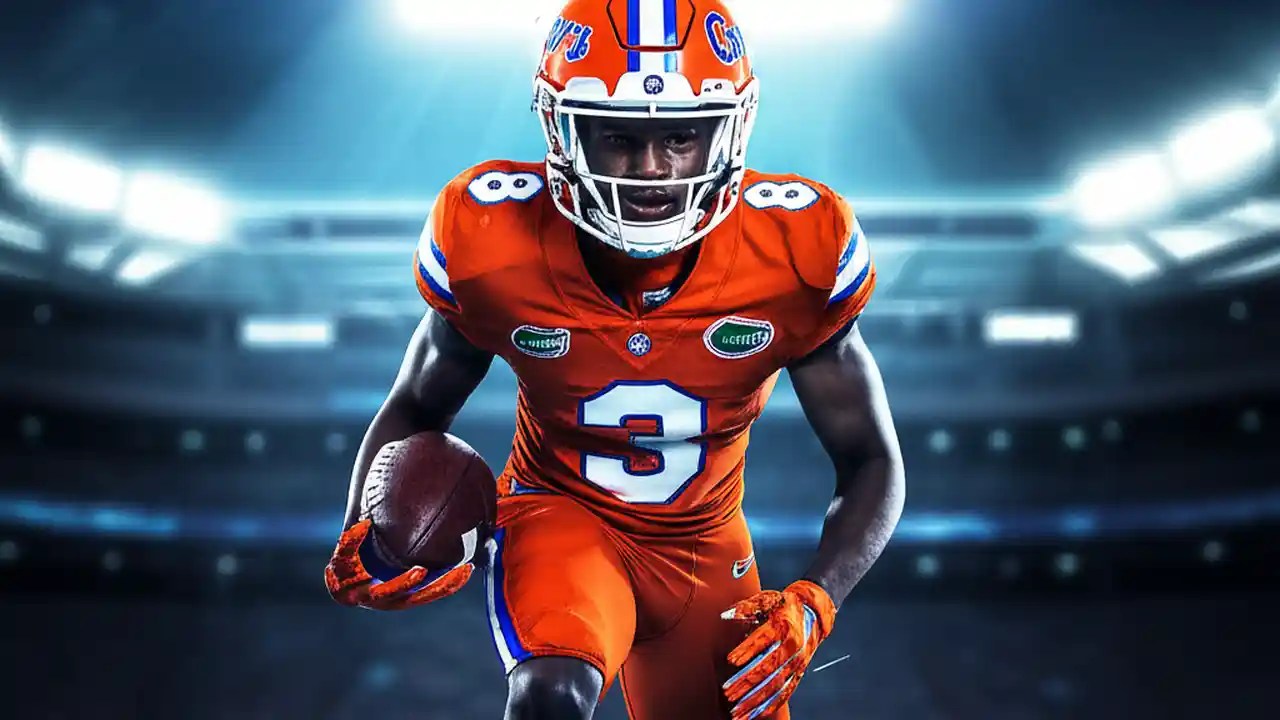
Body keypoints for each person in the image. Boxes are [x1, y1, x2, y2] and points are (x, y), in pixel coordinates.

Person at [326, 1, 905, 718]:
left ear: (730, 129)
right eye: (618, 137)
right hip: (559, 516)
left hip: (707, 546)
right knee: (550, 695)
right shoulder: (492, 240)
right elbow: (417, 404)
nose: (651, 169)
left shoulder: (797, 250)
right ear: (562, 129)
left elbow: (870, 458)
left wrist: (818, 597)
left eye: (681, 136)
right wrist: (362, 529)